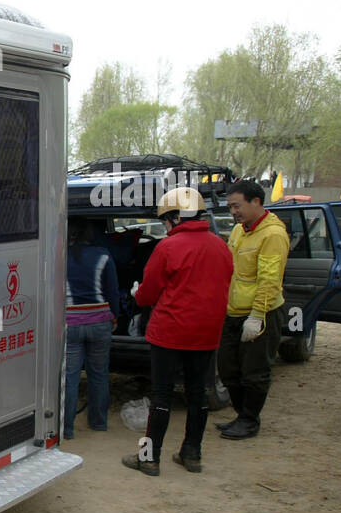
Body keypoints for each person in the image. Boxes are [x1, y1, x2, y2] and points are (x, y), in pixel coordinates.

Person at [122, 187, 233, 475]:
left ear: (174, 217)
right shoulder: (221, 246)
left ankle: (149, 458)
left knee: (162, 396)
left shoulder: (168, 247)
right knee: (198, 394)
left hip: (170, 333)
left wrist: (137, 293)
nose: (165, 226)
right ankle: (191, 454)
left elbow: (148, 294)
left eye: (165, 221)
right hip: (207, 334)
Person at [215, 179, 290, 440]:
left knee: (254, 371)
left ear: (256, 202)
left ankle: (249, 420)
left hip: (262, 313)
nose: (233, 212)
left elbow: (269, 280)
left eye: (237, 206)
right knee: (228, 368)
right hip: (233, 312)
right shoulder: (239, 231)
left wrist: (257, 316)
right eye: (230, 207)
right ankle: (241, 414)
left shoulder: (273, 235)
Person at [63, 218, 120, 439]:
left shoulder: (60, 256)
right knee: (99, 374)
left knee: (71, 377)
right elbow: (113, 292)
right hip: (100, 323)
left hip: (71, 324)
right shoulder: (103, 255)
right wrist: (113, 318)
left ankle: (67, 429)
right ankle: (98, 423)